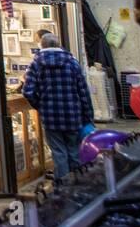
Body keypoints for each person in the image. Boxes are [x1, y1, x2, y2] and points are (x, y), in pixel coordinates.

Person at [22, 33, 94, 179]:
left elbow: (27, 91)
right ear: (59, 44)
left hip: (50, 117)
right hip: (73, 115)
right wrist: (88, 115)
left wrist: (40, 105)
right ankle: (77, 182)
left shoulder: (35, 65)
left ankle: (63, 185)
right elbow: (83, 92)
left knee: (58, 152)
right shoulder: (72, 63)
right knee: (74, 151)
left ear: (42, 45)